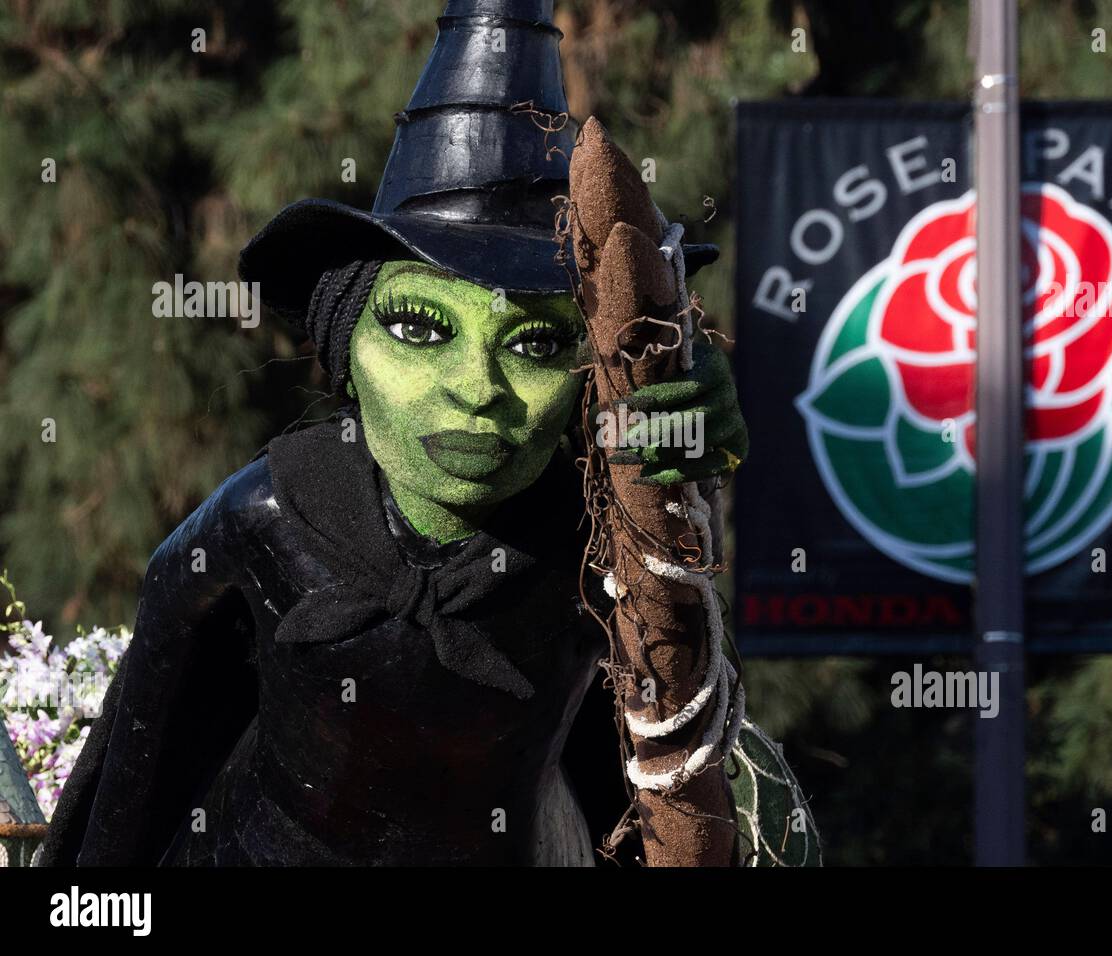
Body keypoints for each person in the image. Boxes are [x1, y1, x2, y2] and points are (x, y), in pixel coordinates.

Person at [39, 0, 818, 867]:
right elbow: (145, 757)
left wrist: (675, 477)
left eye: (535, 343)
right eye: (419, 328)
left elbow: (670, 724)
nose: (475, 390)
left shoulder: (588, 538)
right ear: (346, 340)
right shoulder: (267, 516)